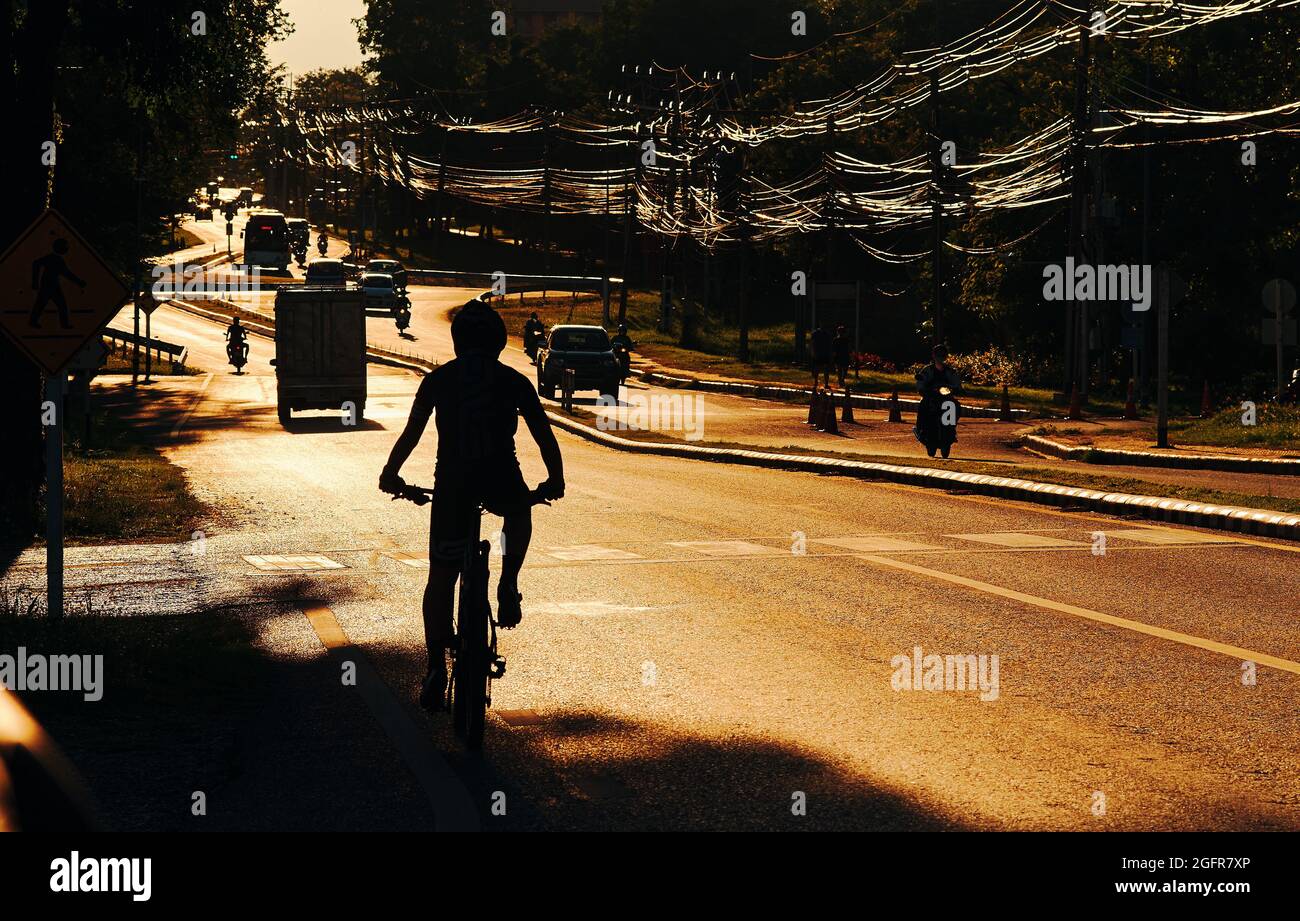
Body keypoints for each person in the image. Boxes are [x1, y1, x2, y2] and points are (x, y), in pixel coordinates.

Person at [379, 300, 565, 710]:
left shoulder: (438, 380)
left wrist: (390, 474)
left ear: (458, 341)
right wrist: (555, 479)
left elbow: (411, 434)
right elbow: (544, 437)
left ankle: (433, 669)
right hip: (502, 477)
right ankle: (509, 581)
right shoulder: (514, 381)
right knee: (518, 510)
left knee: (441, 578)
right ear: (498, 343)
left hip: (453, 485)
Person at [914, 345, 963, 457]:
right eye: (938, 355)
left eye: (942, 355)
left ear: (946, 356)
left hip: (946, 398)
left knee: (956, 405)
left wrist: (959, 389)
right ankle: (920, 429)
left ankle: (951, 429)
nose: (940, 357)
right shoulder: (927, 370)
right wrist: (922, 388)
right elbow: (920, 382)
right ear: (933, 356)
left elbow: (957, 384)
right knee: (922, 405)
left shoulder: (950, 371)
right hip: (930, 397)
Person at [809, 323, 833, 388]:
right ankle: (816, 381)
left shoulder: (827, 334)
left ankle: (826, 383)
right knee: (817, 368)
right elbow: (812, 343)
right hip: (818, 353)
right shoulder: (815, 333)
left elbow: (830, 345)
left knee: (826, 369)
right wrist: (813, 352)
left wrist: (830, 354)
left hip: (825, 353)